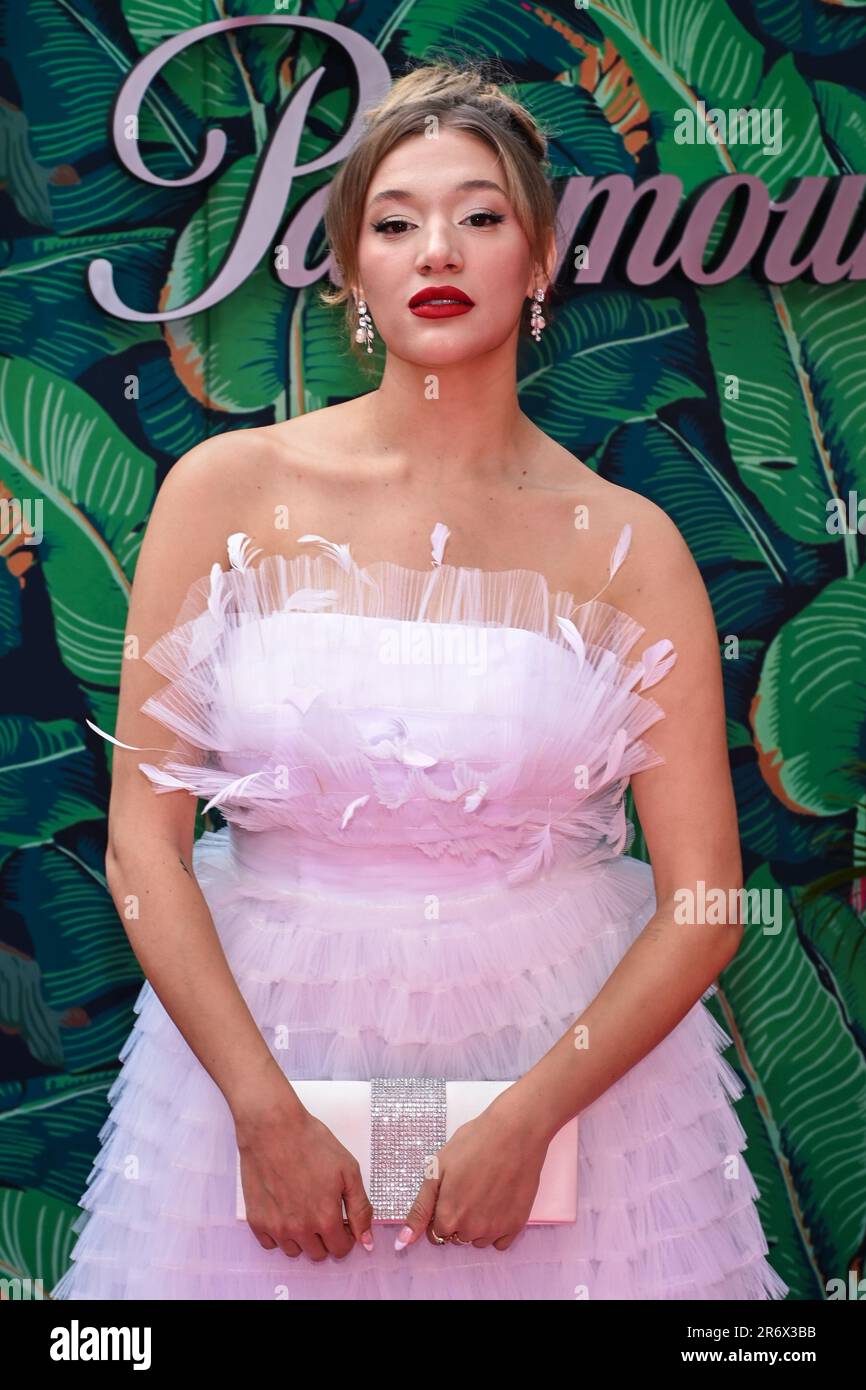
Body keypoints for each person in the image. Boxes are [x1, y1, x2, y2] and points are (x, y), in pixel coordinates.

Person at [51, 59, 788, 1300]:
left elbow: (705, 896)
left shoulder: (626, 544)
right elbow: (141, 847)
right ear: (350, 269)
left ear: (540, 259)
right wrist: (263, 1111)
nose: (434, 247)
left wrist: (529, 1120)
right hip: (261, 1064)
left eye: (479, 215)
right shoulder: (225, 495)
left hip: (572, 1090)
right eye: (393, 221)